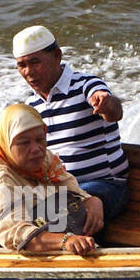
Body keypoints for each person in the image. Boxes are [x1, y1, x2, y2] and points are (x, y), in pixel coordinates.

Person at [12, 24, 129, 222]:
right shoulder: (31, 104)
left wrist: (105, 103)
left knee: (59, 213)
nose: (29, 72)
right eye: (22, 65)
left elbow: (114, 112)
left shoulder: (86, 84)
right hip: (60, 190)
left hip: (105, 185)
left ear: (57, 56)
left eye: (35, 62)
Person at [0, 103, 103, 254]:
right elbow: (17, 236)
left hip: (45, 231)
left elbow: (72, 191)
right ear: (6, 144)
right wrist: (66, 240)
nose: (36, 149)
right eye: (24, 142)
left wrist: (92, 201)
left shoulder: (44, 160)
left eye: (40, 139)